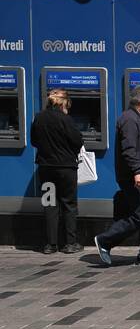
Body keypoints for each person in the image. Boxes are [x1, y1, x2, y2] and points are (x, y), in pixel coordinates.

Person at [94, 87, 140, 265]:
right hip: (135, 178)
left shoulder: (136, 118)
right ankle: (105, 240)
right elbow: (129, 150)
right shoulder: (129, 120)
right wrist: (137, 172)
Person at [30, 88, 85, 255]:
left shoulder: (38, 118)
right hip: (66, 169)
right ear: (64, 102)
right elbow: (77, 141)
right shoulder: (66, 119)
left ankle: (50, 245)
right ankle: (70, 243)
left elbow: (34, 141)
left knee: (50, 205)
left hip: (46, 169)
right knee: (69, 204)